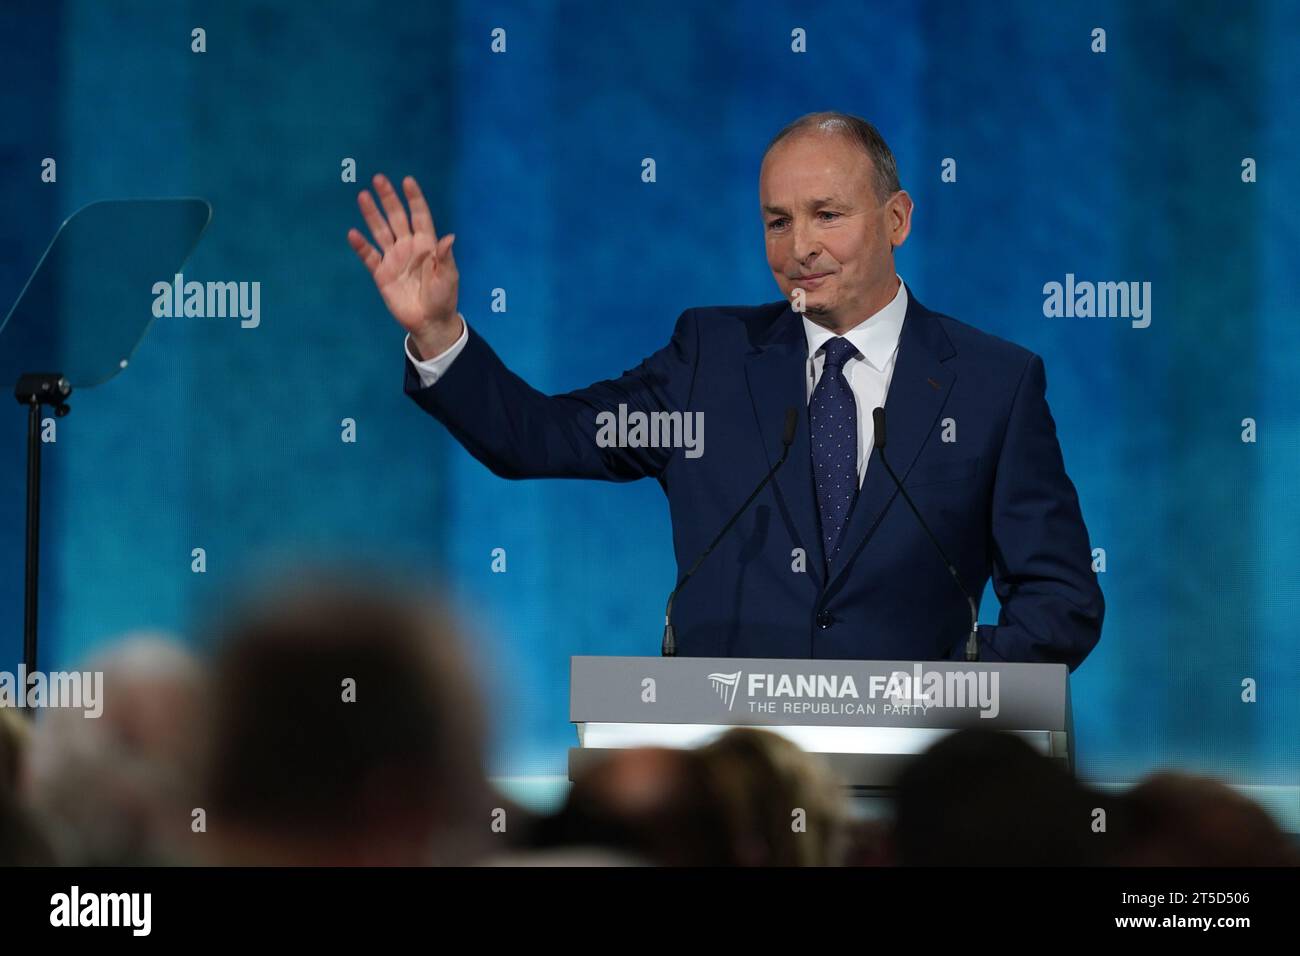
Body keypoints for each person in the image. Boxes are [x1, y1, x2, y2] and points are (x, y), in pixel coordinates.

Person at [348, 111, 1104, 667]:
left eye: (827, 216)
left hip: (916, 780)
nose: (799, 247)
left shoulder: (992, 384)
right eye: (777, 221)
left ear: (897, 218)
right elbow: (535, 437)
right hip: (731, 777)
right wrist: (441, 331)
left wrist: (954, 680)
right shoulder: (709, 361)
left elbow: (1062, 603)